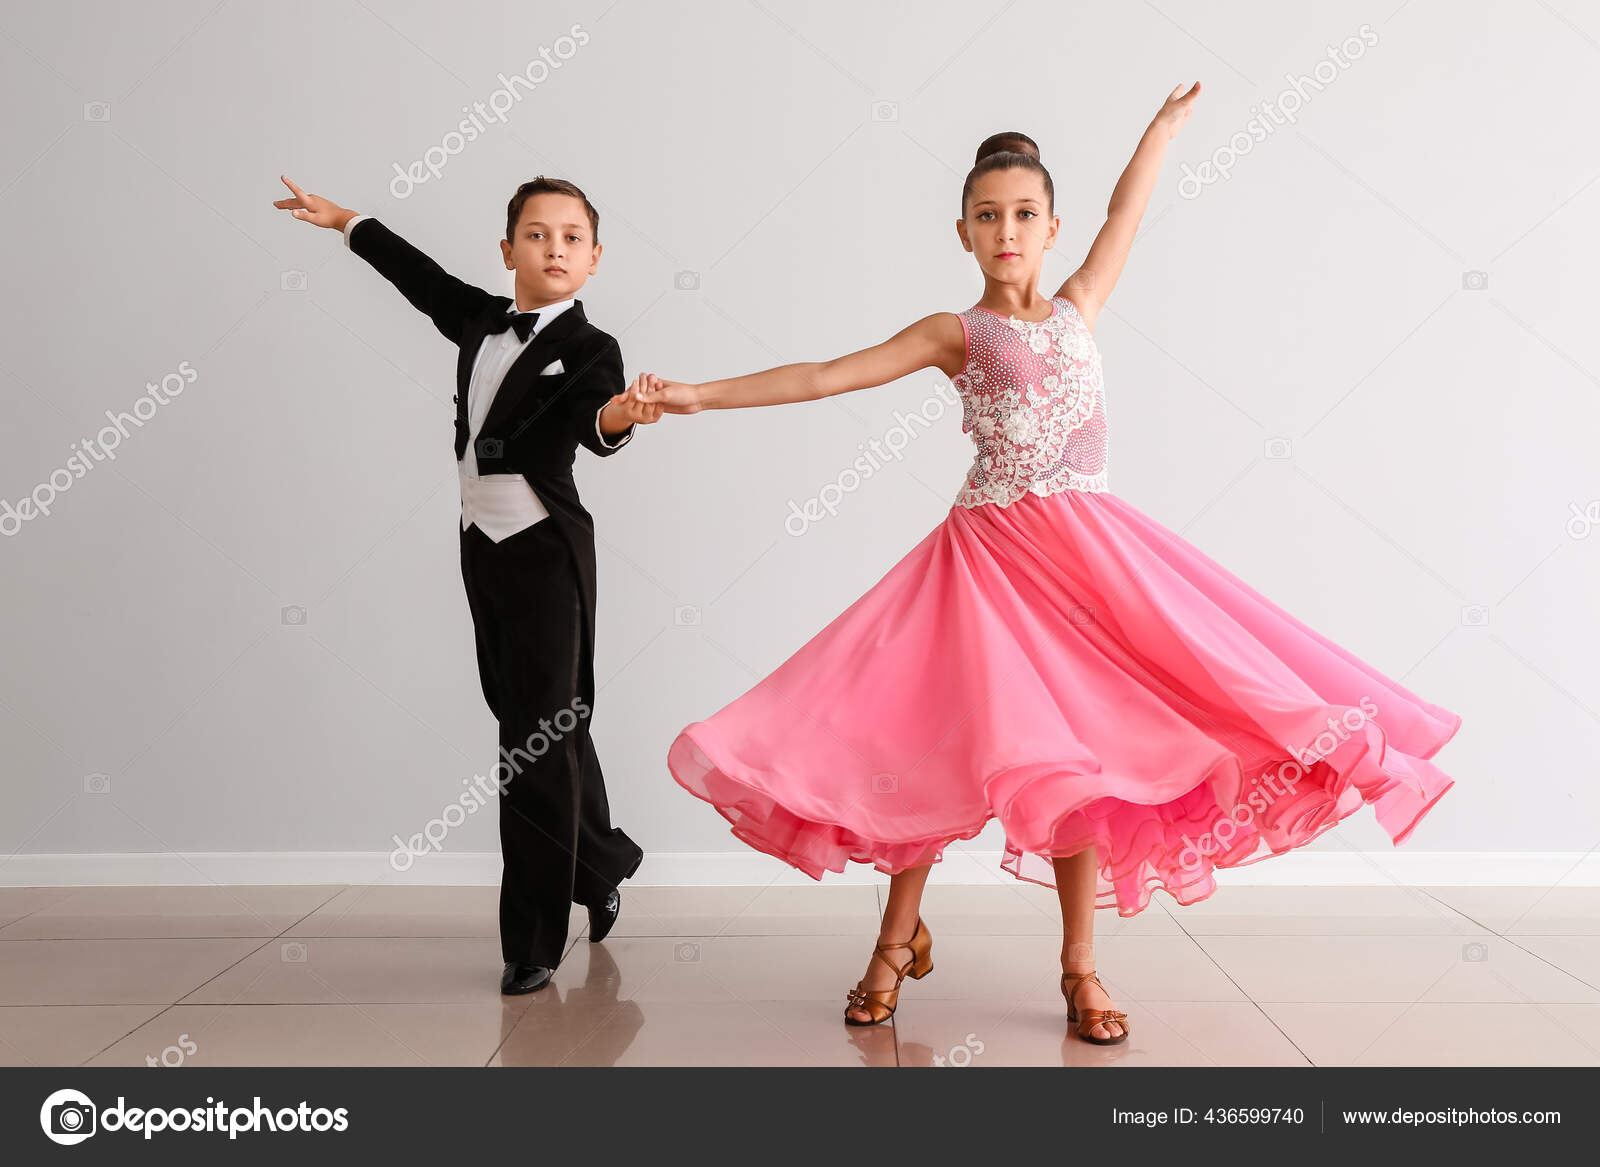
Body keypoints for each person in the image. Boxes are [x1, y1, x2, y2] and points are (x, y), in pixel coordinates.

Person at [630, 84, 1462, 1042]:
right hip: (987, 571)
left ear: (1052, 226)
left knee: (1086, 769)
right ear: (964, 233)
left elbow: (1128, 210)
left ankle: (1079, 968)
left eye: (1024, 214)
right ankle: (891, 946)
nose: (1007, 230)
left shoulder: (1081, 305)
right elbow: (828, 374)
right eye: (988, 217)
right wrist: (696, 394)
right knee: (929, 750)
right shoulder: (958, 333)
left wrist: (1155, 132)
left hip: (1092, 573)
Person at [273, 175, 662, 995]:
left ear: (594, 259)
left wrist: (623, 416)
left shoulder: (592, 349)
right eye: (535, 234)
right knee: (536, 721)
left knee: (531, 741)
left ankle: (534, 937)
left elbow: (596, 425)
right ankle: (601, 862)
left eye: (569, 237)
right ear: (508, 249)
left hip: (548, 557)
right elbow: (417, 277)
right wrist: (347, 222)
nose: (552, 248)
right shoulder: (482, 319)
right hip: (480, 551)